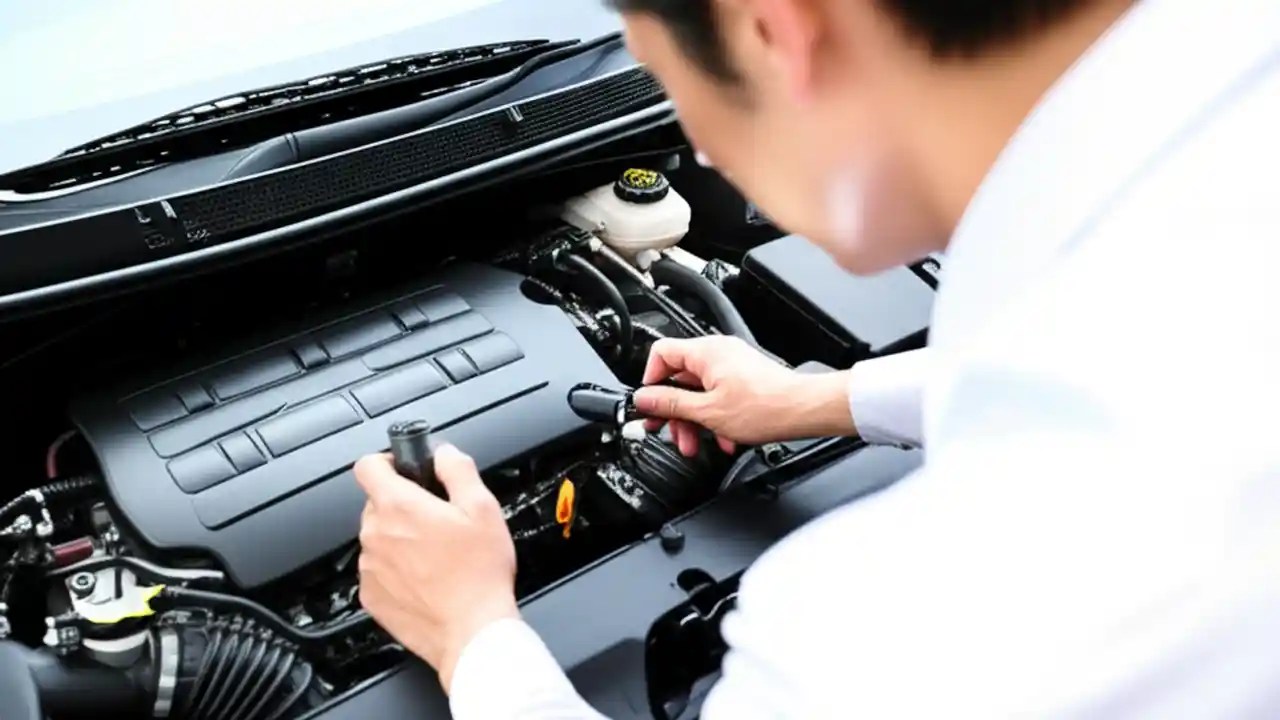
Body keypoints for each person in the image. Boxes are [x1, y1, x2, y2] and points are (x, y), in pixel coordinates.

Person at [353, 0, 1280, 716]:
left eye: (669, 86)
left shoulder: (898, 639)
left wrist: (469, 631)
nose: (701, 144)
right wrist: (820, 399)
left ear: (776, 31)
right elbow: (1117, 356)